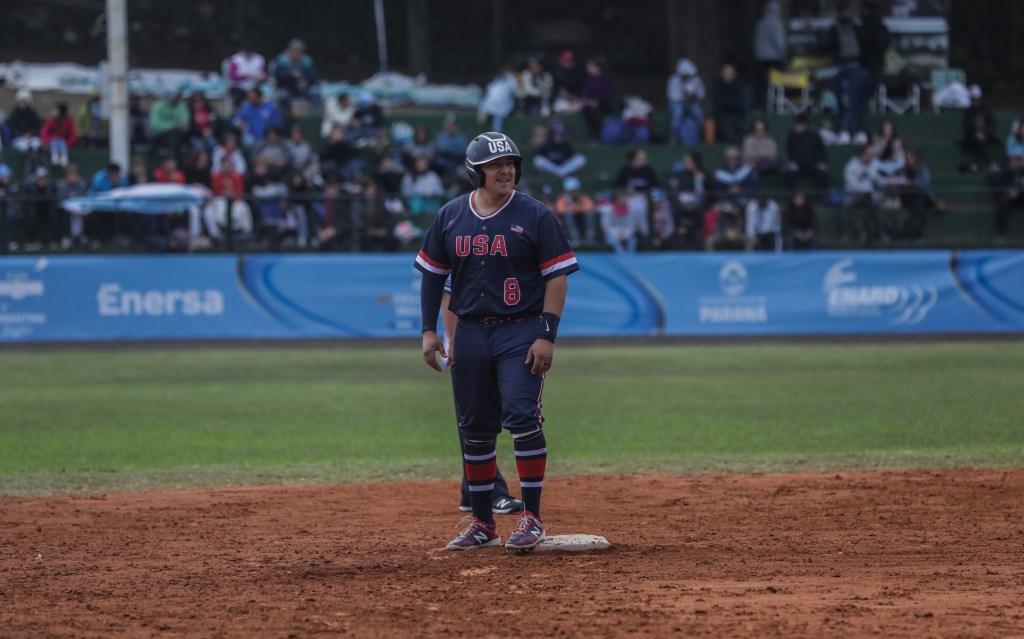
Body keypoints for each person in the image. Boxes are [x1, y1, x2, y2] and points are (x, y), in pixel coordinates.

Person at [416, 131, 578, 552]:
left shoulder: (535, 214)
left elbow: (556, 277)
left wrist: (547, 334)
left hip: (521, 329)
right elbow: (433, 275)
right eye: (495, 165)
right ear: (476, 172)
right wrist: (429, 330)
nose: (505, 170)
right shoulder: (451, 215)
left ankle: (531, 517)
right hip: (469, 330)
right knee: (475, 429)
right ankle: (483, 523)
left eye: (510, 163)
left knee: (523, 417)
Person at [439, 281, 525, 516]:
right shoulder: (462, 244)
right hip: (470, 341)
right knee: (476, 419)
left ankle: (473, 490)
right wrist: (453, 340)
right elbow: (449, 293)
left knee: (478, 417)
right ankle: (491, 491)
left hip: (504, 340)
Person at [827, 1, 872, 144]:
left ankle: (858, 130)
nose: (846, 14)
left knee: (857, 99)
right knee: (845, 98)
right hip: (841, 68)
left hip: (856, 67)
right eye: (843, 11)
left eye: (847, 11)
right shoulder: (834, 29)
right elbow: (828, 46)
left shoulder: (857, 28)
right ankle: (847, 129)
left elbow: (865, 45)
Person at [840, 144, 888, 242]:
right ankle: (846, 234)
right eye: (868, 156)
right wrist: (873, 193)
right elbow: (854, 185)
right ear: (862, 155)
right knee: (846, 205)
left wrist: (891, 180)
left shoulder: (871, 165)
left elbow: (878, 179)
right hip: (853, 194)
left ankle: (881, 233)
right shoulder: (851, 166)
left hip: (869, 195)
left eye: (871, 156)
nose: (870, 158)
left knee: (878, 205)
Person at [783, 115, 830, 195]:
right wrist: (791, 162)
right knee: (788, 174)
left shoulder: (814, 136)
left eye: (801, 125)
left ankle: (816, 198)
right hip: (797, 166)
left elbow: (821, 151)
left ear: (806, 126)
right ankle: (792, 198)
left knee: (824, 174)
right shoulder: (791, 135)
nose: (798, 127)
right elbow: (787, 151)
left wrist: (821, 162)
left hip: (813, 165)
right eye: (797, 125)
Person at [753, 0, 787, 109]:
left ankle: (760, 105)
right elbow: (778, 41)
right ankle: (775, 106)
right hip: (774, 58)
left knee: (761, 84)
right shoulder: (776, 23)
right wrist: (783, 53)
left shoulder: (761, 23)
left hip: (760, 57)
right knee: (776, 83)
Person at [272, 38, 320, 115]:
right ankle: (288, 116)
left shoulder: (307, 61)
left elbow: (314, 76)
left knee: (316, 92)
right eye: (294, 51)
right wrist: (290, 74)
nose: (296, 54)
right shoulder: (282, 61)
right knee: (282, 95)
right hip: (288, 87)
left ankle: (312, 116)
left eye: (299, 51)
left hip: (304, 88)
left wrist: (307, 82)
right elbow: (278, 76)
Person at [960, 85, 999, 173]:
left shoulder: (987, 109)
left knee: (982, 141)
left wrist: (984, 133)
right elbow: (966, 127)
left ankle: (976, 164)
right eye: (973, 99)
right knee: (980, 142)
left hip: (987, 136)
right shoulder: (968, 111)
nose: (975, 101)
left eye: (977, 99)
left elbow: (993, 125)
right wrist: (976, 134)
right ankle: (988, 164)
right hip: (972, 138)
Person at [667, 58, 705, 145]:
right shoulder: (674, 80)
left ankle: (700, 136)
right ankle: (673, 139)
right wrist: (684, 96)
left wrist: (693, 97)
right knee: (677, 115)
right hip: (678, 103)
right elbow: (673, 97)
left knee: (698, 113)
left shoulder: (696, 80)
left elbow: (701, 94)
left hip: (692, 103)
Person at [989, 149, 1024, 239]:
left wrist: (1018, 192)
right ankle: (1000, 233)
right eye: (1015, 159)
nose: (1017, 161)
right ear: (1011, 160)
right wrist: (1009, 191)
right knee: (1002, 203)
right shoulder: (1004, 169)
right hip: (1008, 196)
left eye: (1019, 159)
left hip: (1021, 195)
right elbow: (1000, 183)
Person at [554, 176, 598, 247]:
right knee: (568, 214)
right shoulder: (563, 199)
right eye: (571, 191)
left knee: (589, 214)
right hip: (567, 222)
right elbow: (560, 210)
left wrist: (574, 208)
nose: (573, 193)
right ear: (567, 191)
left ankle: (590, 238)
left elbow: (590, 207)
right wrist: (574, 208)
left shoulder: (584, 198)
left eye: (575, 190)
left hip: (582, 220)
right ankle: (574, 238)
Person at [580, 57, 615, 142]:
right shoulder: (588, 79)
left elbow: (607, 94)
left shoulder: (606, 79)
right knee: (587, 111)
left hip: (604, 104)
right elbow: (585, 93)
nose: (588, 69)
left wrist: (597, 101)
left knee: (596, 113)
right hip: (590, 105)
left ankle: (601, 136)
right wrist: (587, 100)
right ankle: (595, 136)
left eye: (591, 67)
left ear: (598, 67)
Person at [712, 63, 747, 145]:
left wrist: (731, 104)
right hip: (722, 114)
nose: (728, 75)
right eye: (726, 73)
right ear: (722, 74)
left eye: (731, 73)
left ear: (735, 74)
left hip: (737, 114)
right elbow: (718, 100)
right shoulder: (717, 84)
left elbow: (740, 100)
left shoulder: (739, 85)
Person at [226, 41, 267, 108]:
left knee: (259, 95)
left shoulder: (259, 59)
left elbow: (263, 73)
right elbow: (232, 75)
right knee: (238, 97)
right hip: (239, 86)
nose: (248, 54)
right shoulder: (235, 59)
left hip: (254, 86)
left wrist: (262, 77)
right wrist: (247, 76)